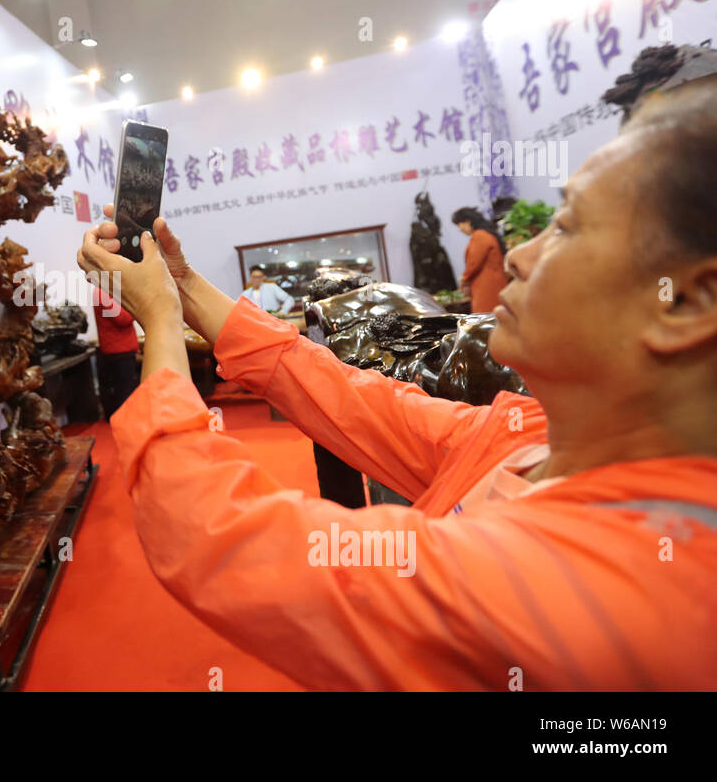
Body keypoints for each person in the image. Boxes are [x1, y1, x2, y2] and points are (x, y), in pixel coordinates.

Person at [73, 44, 717, 690]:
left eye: (568, 228)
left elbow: (214, 532)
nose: (519, 256)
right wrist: (181, 285)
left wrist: (161, 322)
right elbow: (341, 394)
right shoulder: (528, 437)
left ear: (687, 302)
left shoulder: (605, 586)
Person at [92, 285, 140, 419]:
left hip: (120, 349)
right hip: (118, 350)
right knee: (123, 392)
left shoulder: (106, 290)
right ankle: (123, 422)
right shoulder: (103, 292)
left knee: (123, 390)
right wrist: (135, 306)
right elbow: (123, 318)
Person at [451, 207, 508, 313]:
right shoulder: (486, 235)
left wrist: (464, 279)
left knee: (487, 315)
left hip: (486, 285)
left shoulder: (480, 236)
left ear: (467, 222)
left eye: (459, 225)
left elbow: (474, 262)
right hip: (494, 282)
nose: (460, 229)